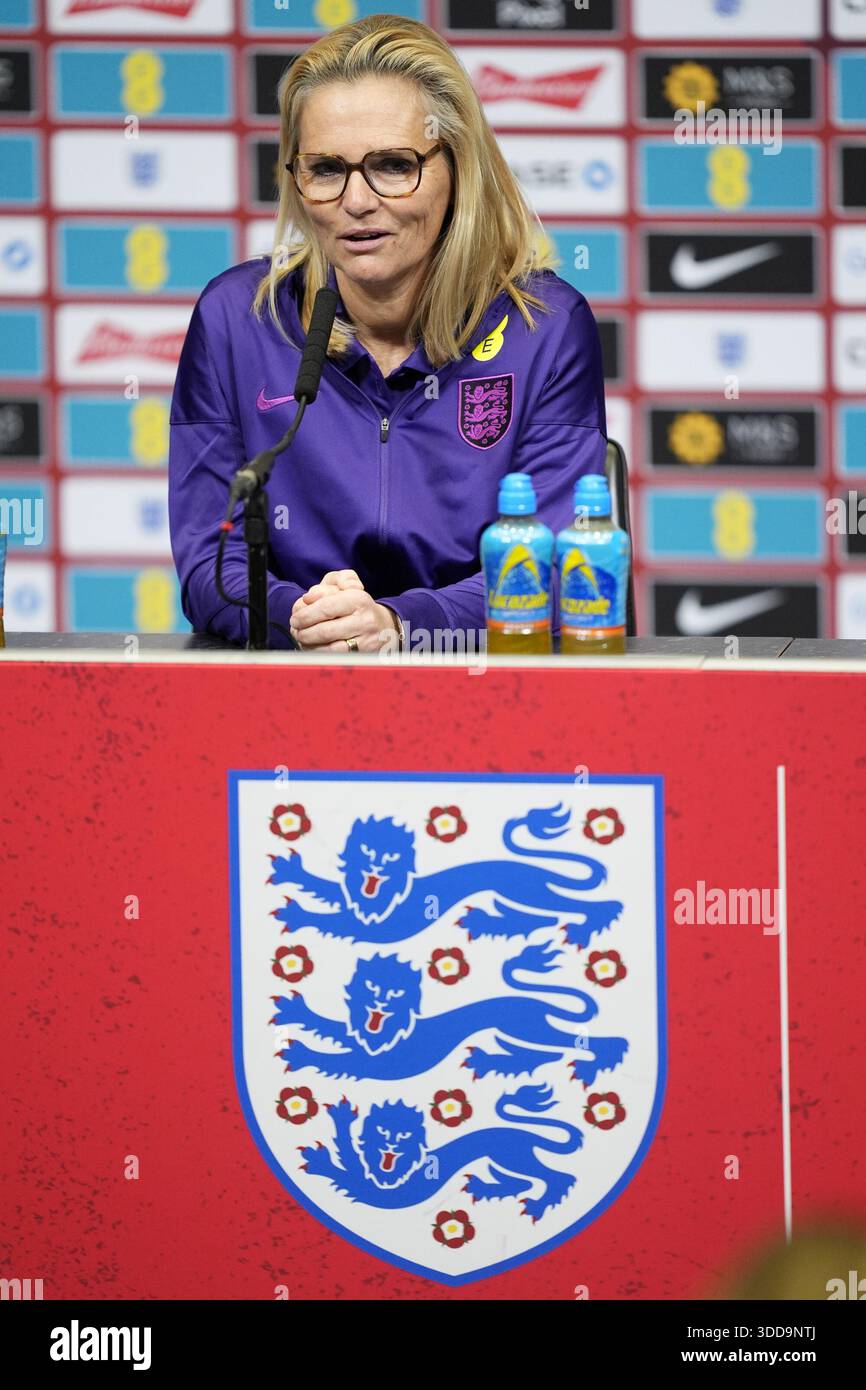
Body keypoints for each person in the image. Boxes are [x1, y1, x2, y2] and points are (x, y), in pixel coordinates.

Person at [168, 13, 608, 653]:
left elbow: (561, 573)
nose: (357, 200)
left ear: (457, 168)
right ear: (296, 180)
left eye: (394, 165)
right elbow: (212, 562)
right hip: (291, 692)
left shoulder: (544, 326)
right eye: (326, 169)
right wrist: (302, 617)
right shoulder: (236, 318)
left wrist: (403, 626)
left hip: (486, 700)